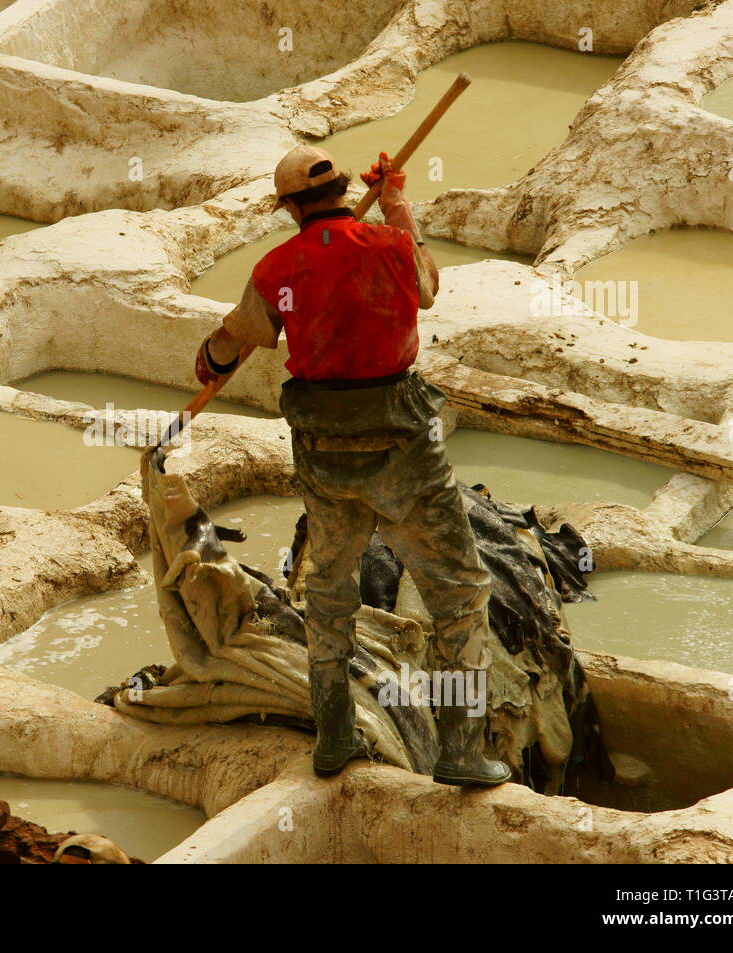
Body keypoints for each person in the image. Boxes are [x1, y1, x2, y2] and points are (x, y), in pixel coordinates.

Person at [194, 144, 510, 787]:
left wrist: (210, 359)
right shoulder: (390, 245)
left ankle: (334, 739)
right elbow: (427, 290)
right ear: (344, 189)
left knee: (330, 597)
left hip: (324, 450)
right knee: (458, 596)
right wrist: (396, 203)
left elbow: (235, 339)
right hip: (403, 450)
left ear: (288, 207)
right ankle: (460, 750)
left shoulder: (277, 266)